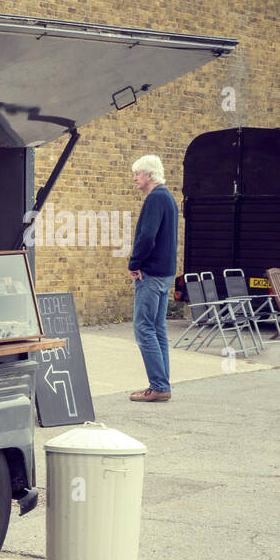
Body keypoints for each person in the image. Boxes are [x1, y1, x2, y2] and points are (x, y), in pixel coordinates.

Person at [127, 154, 178, 402]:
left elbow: (147, 237)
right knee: (157, 329)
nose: (135, 178)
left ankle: (158, 387)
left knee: (143, 328)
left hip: (152, 274)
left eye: (137, 174)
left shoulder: (155, 198)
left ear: (148, 175)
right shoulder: (168, 197)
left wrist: (134, 263)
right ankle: (162, 385)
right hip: (165, 273)